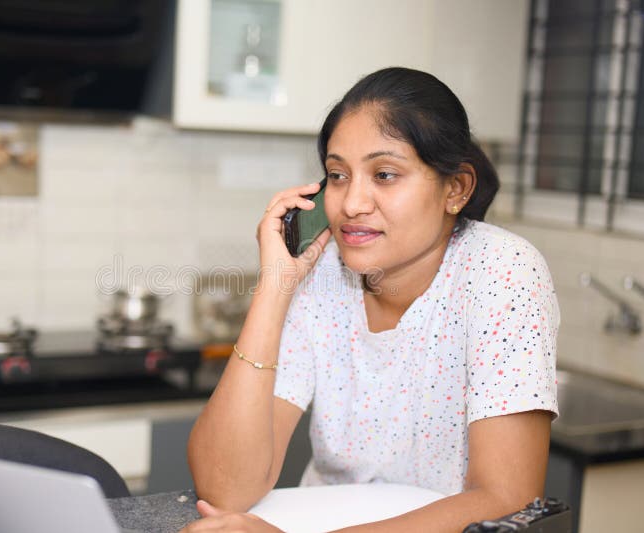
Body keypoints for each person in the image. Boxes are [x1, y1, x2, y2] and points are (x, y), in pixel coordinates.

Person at [181, 67, 559, 532]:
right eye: (338, 175)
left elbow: (507, 495)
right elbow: (224, 488)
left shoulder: (502, 271)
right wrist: (276, 286)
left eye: (384, 174)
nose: (352, 202)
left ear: (456, 189)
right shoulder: (320, 273)